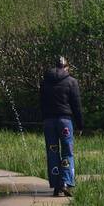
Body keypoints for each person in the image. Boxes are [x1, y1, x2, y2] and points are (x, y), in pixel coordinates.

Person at [39, 56, 83, 197]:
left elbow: (41, 103)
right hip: (65, 121)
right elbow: (76, 105)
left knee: (52, 153)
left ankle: (56, 186)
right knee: (67, 152)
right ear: (66, 67)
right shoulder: (72, 82)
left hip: (49, 122)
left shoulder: (45, 82)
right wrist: (80, 124)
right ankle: (65, 183)